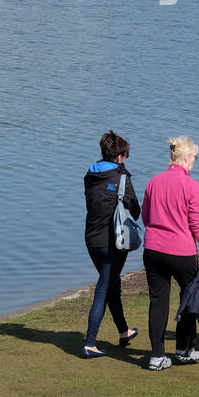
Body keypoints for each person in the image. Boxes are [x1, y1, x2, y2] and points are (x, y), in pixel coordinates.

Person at [140, 135, 199, 370]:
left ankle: (157, 355)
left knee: (158, 301)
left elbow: (145, 215)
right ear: (187, 157)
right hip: (181, 251)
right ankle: (184, 349)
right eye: (195, 158)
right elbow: (197, 222)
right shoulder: (191, 185)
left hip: (153, 249)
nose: (195, 162)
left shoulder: (154, 181)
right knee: (189, 298)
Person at [82, 130, 140, 359]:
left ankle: (124, 331)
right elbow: (135, 209)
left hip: (91, 240)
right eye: (125, 156)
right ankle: (89, 343)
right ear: (119, 156)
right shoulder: (121, 177)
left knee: (111, 282)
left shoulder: (90, 175)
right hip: (113, 241)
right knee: (104, 288)